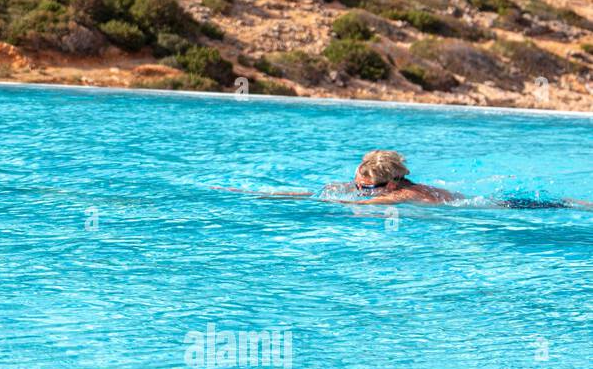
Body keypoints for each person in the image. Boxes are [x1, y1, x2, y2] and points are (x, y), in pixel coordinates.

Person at [217, 149, 590, 208]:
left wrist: (342, 201)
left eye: (366, 187)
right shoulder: (371, 186)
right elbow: (323, 192)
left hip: (489, 207)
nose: (359, 189)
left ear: (391, 184)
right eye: (357, 182)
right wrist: (262, 194)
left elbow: (355, 204)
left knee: (551, 205)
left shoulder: (407, 196)